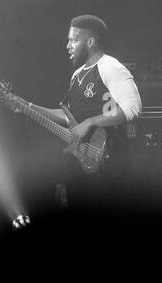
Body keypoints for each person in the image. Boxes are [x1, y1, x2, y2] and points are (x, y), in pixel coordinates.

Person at [33, 15, 141, 187]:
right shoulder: (77, 75)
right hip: (83, 162)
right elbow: (69, 116)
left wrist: (90, 122)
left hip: (109, 163)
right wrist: (30, 108)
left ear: (90, 42)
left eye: (73, 40)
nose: (68, 46)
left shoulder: (111, 67)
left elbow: (132, 108)